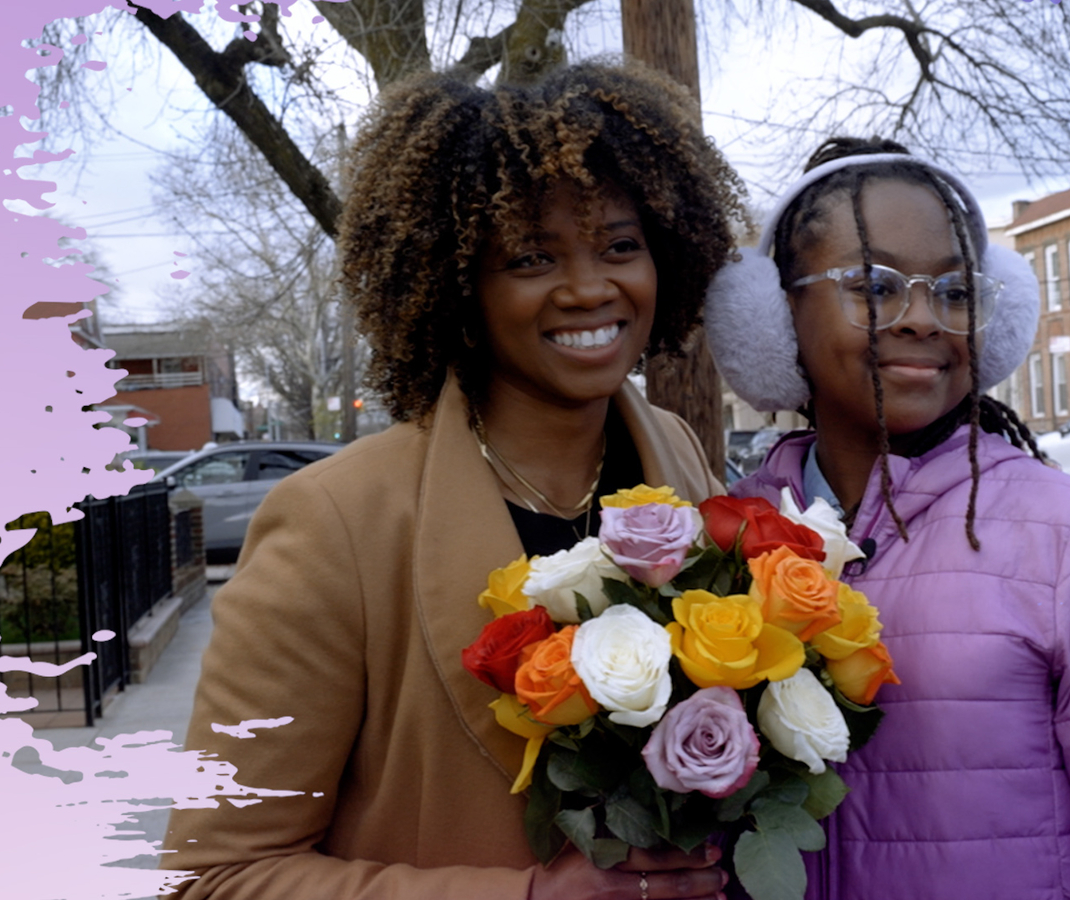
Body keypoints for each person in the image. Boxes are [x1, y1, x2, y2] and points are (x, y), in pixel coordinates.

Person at [160, 62, 745, 900]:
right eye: (532, 256)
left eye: (621, 245)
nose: (589, 287)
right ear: (458, 282)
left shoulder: (680, 460)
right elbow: (215, 876)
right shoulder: (335, 522)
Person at [706, 138, 1070, 899]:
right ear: (772, 314)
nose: (925, 319)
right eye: (874, 284)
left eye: (956, 293)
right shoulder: (713, 547)